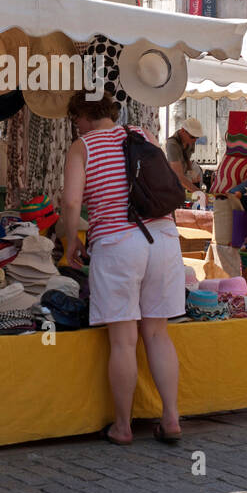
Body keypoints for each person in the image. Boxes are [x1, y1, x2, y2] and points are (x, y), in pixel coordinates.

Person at [61, 92, 184, 445]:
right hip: (162, 237)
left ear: (81, 115)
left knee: (123, 340)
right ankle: (172, 418)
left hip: (117, 243)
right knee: (158, 333)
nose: (76, 126)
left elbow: (71, 200)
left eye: (75, 119)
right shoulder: (142, 134)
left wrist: (72, 240)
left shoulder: (83, 146)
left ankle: (122, 426)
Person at [165, 117, 204, 192]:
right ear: (183, 131)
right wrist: (197, 191)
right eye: (192, 137)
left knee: (197, 170)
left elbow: (187, 158)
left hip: (184, 170)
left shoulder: (190, 140)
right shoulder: (172, 144)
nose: (194, 140)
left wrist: (191, 171)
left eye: (197, 137)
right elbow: (178, 175)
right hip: (172, 176)